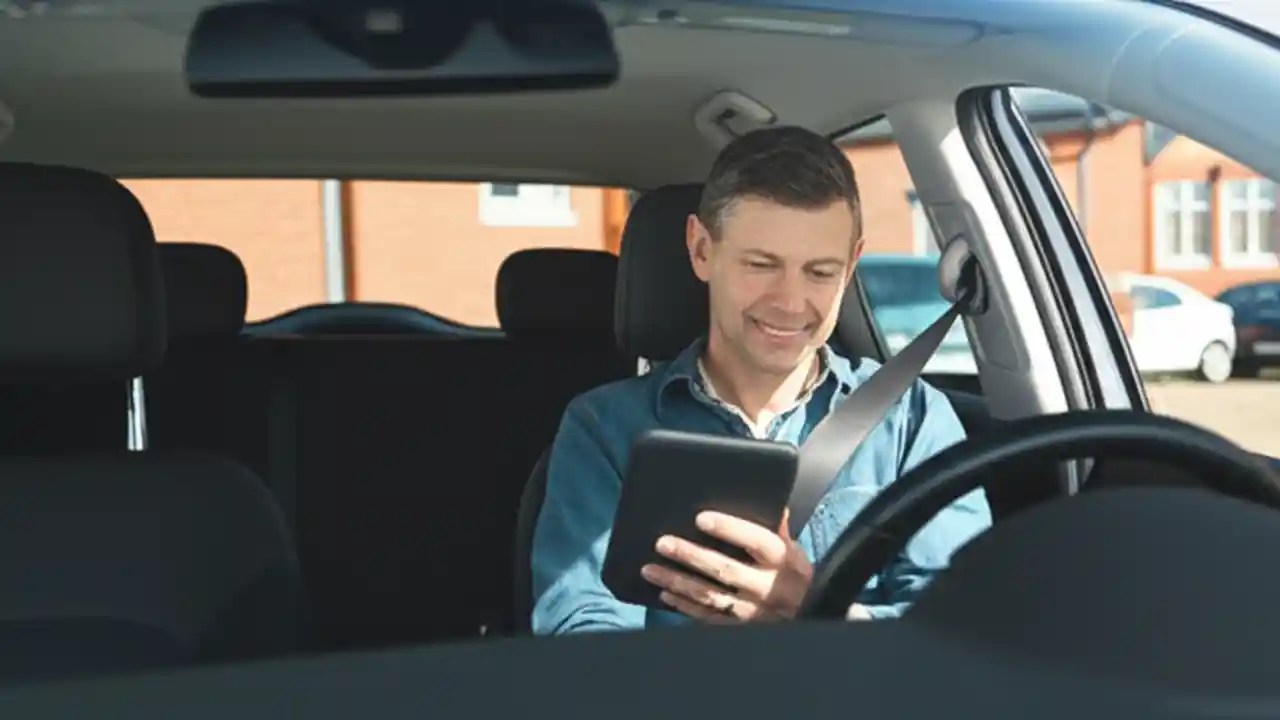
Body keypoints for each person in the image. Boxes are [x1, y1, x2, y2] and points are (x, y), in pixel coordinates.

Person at [530, 125, 992, 634]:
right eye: (761, 265)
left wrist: (816, 610)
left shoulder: (911, 420)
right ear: (702, 250)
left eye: (819, 272)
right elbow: (578, 634)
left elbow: (958, 632)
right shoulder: (605, 429)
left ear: (851, 264)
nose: (790, 303)